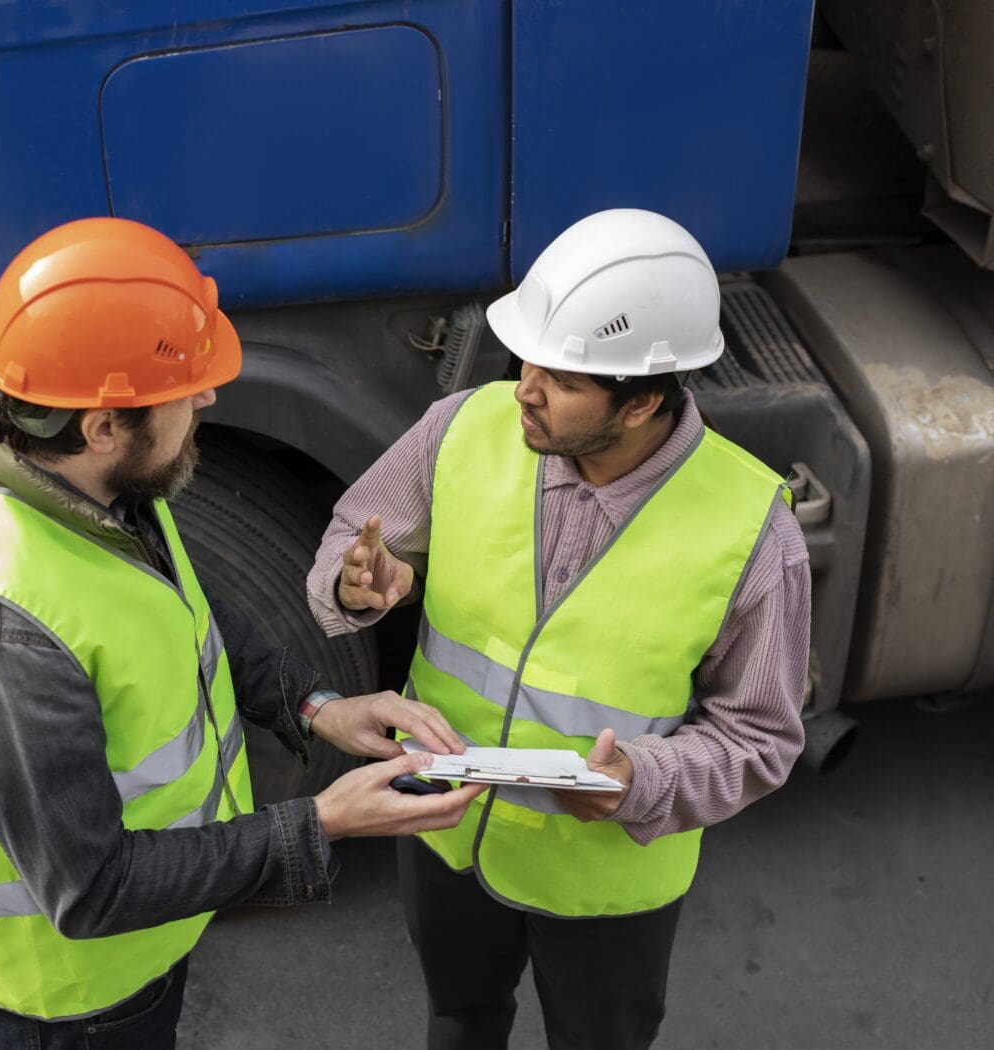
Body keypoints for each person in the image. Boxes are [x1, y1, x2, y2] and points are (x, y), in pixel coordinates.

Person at [0, 217, 483, 1049]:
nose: (206, 397)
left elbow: (178, 610)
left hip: (152, 941)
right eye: (184, 389)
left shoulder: (75, 470)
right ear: (102, 426)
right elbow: (91, 893)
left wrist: (312, 706)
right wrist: (323, 823)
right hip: (78, 1003)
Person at [307, 208, 811, 1050]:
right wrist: (363, 586)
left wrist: (636, 783)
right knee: (459, 1024)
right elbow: (351, 538)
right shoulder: (465, 426)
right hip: (445, 834)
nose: (526, 390)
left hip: (603, 885)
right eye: (528, 359)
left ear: (644, 400)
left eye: (564, 379)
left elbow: (760, 739)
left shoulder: (754, 534)